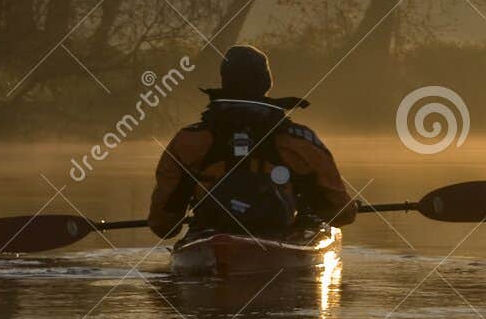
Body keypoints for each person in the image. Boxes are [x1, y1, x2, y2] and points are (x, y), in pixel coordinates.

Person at [148, 45, 357, 239]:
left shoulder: (188, 140)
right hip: (278, 236)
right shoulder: (299, 141)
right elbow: (341, 216)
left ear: (224, 81)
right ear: (267, 83)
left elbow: (163, 227)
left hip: (211, 236)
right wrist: (350, 208)